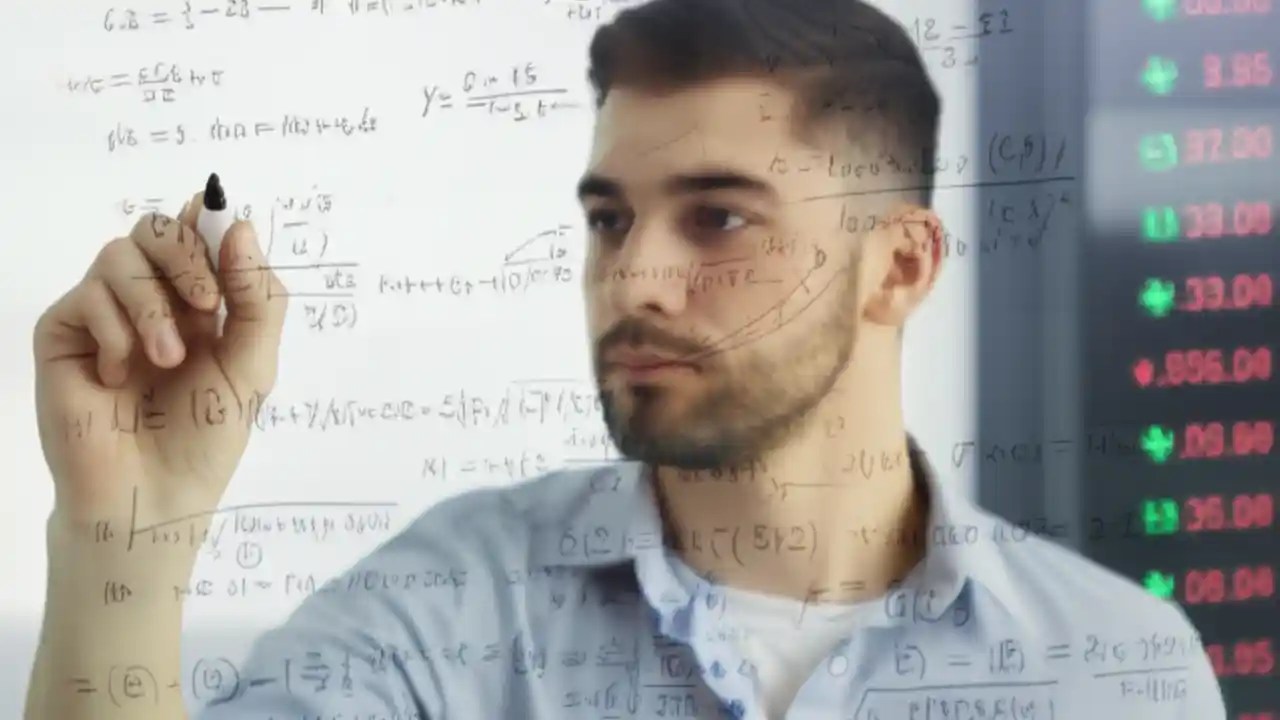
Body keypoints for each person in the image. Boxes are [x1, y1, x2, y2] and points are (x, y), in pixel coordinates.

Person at [25, 0, 1226, 718]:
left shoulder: (1118, 671)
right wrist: (124, 536)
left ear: (899, 265)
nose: (632, 278)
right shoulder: (449, 607)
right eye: (610, 219)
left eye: (718, 217)